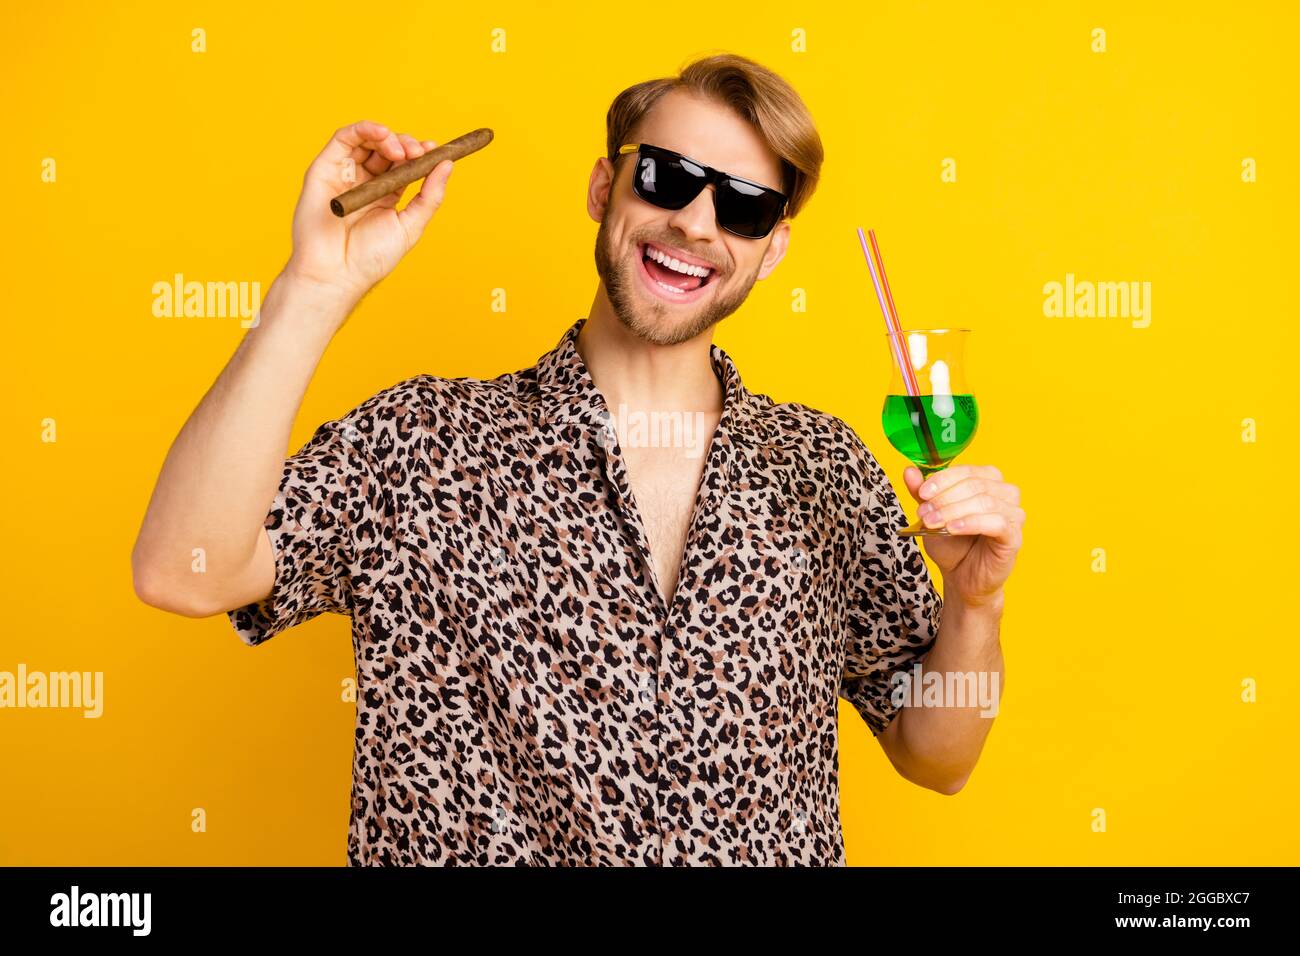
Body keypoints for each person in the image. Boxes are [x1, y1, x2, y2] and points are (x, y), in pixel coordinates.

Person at [131, 53, 1025, 866]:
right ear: (606, 186)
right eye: (669, 177)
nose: (696, 223)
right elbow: (182, 570)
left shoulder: (824, 468)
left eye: (744, 206)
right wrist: (312, 290)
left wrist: (974, 603)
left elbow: (936, 755)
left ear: (773, 247)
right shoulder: (424, 441)